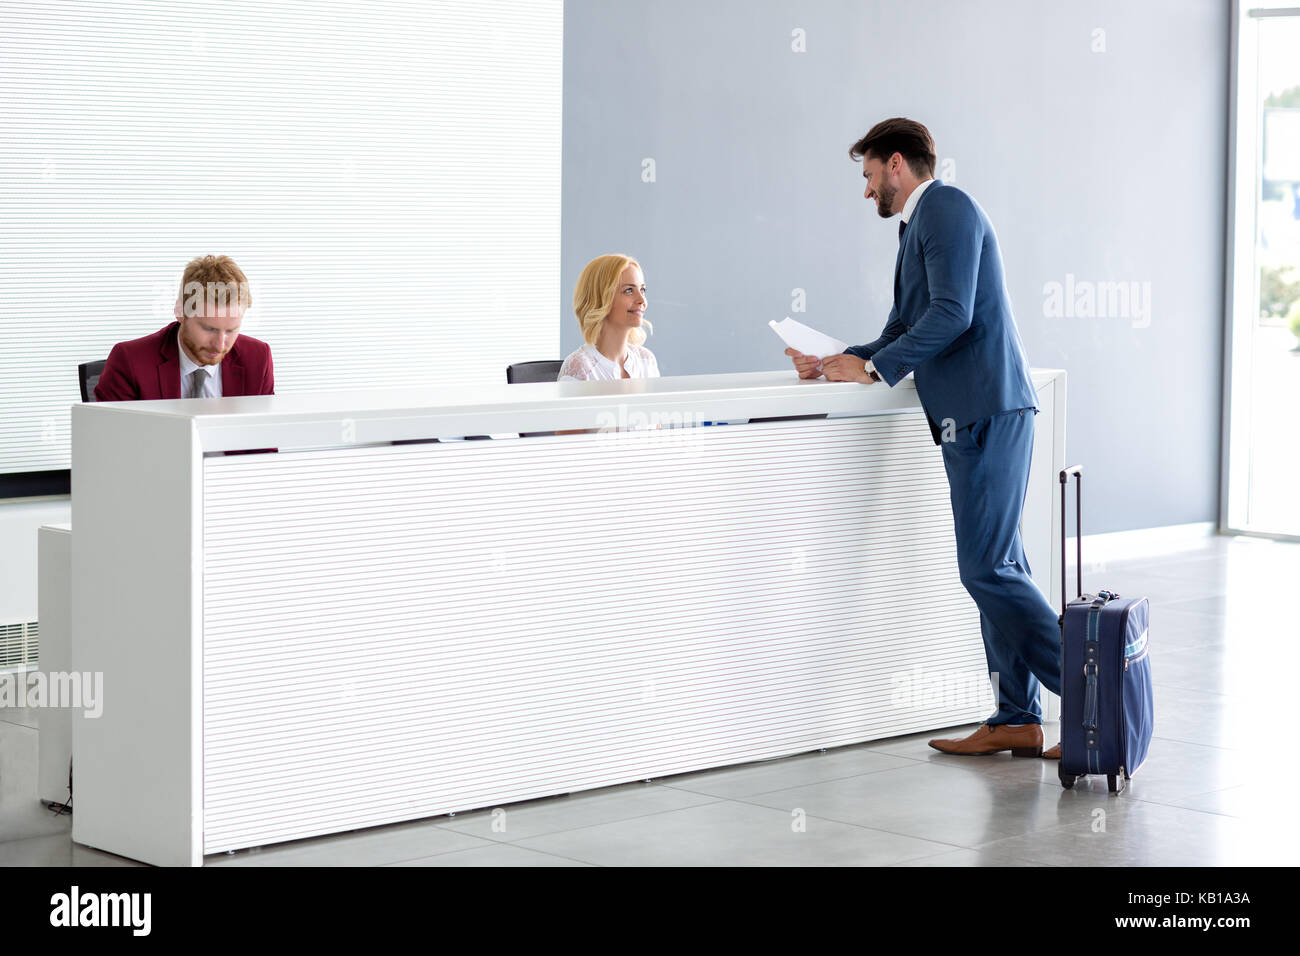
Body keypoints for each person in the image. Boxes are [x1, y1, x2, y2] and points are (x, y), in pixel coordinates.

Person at [786, 118, 1064, 759]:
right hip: (967, 418)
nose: (865, 193)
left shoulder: (947, 208)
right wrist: (838, 360)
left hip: (988, 410)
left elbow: (953, 313)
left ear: (894, 164)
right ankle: (1017, 716)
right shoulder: (920, 225)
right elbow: (904, 323)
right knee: (1001, 565)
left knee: (988, 568)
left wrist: (877, 368)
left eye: (867, 176)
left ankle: (1089, 697)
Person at [94, 254, 273, 401]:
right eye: (209, 329)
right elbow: (110, 441)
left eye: (231, 330)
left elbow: (264, 439)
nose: (220, 345)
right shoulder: (130, 361)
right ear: (180, 311)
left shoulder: (257, 359)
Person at [559, 254, 659, 381]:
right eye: (628, 290)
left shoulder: (646, 361)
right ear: (600, 299)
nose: (642, 300)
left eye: (642, 290)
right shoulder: (580, 368)